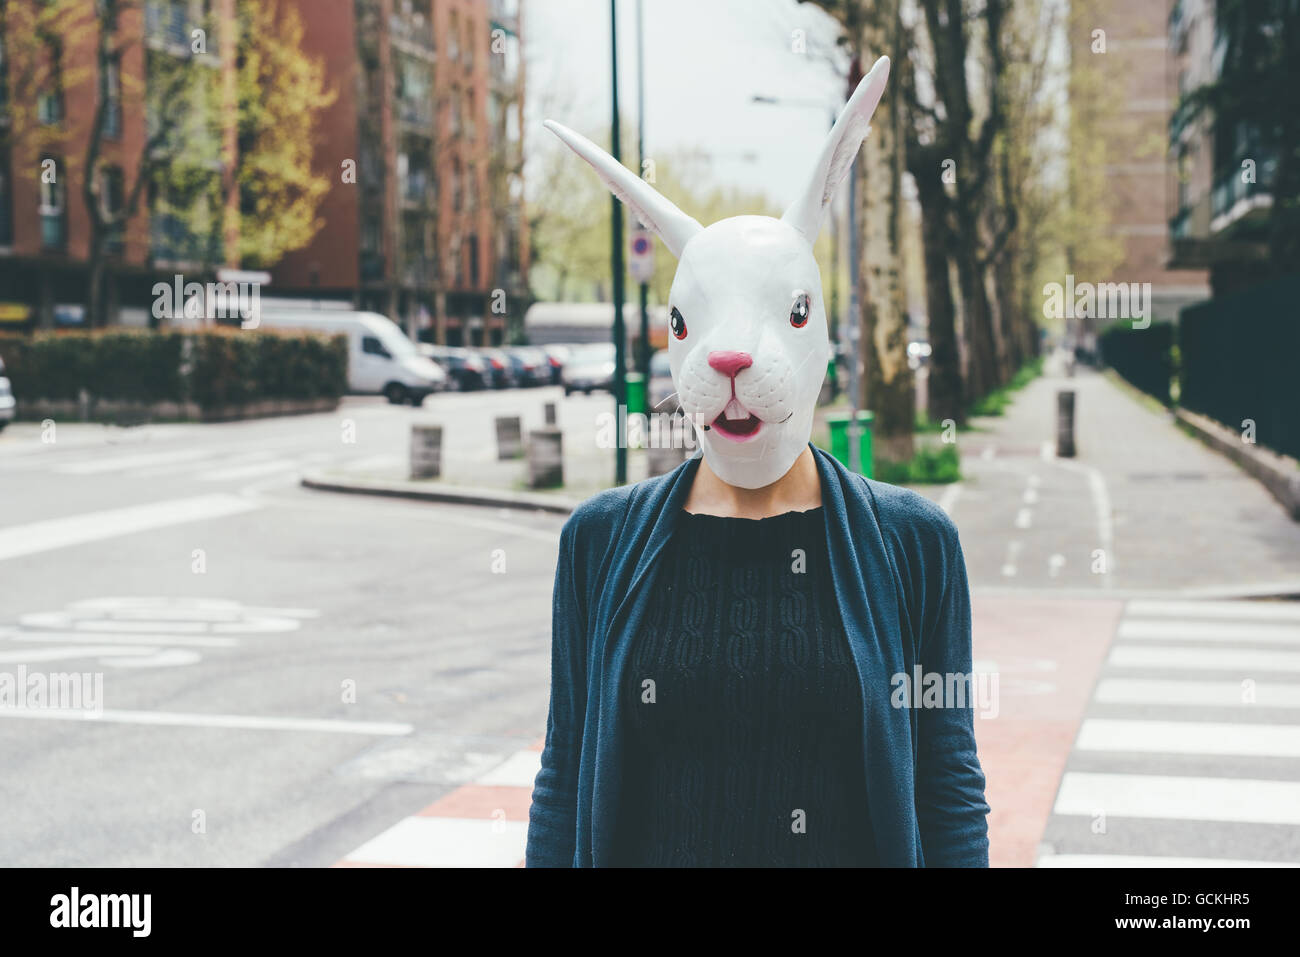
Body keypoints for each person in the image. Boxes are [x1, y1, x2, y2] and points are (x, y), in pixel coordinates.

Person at [526, 56, 990, 868]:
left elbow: (947, 781)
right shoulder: (597, 544)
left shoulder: (916, 545)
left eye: (789, 314)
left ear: (817, 331)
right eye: (689, 325)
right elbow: (565, 771)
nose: (732, 357)